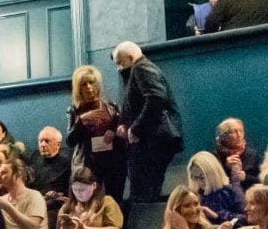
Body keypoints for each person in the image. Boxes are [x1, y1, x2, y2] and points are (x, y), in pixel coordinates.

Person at [114, 42, 183, 200]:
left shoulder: (141, 68)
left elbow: (155, 99)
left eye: (120, 62)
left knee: (143, 192)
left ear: (130, 57)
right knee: (148, 190)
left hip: (150, 143)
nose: (118, 68)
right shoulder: (144, 68)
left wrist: (135, 129)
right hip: (154, 142)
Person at [68, 65, 129, 200]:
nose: (89, 87)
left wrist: (114, 131)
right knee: (90, 202)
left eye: (91, 82)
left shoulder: (112, 106)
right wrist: (81, 121)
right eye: (84, 84)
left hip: (114, 162)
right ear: (78, 89)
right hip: (89, 164)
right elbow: (70, 141)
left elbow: (122, 127)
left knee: (115, 201)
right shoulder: (74, 111)